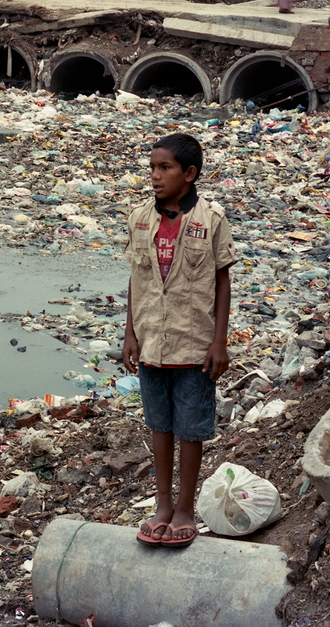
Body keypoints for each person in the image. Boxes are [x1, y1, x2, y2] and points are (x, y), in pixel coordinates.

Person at [123, 132, 235, 549]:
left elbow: (222, 281)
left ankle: (185, 509)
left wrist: (219, 342)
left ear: (189, 174)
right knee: (159, 426)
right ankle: (163, 506)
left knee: (190, 429)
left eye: (164, 168)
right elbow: (137, 279)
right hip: (151, 342)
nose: (155, 176)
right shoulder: (139, 217)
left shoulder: (211, 219)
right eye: (152, 167)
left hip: (193, 345)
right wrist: (130, 333)